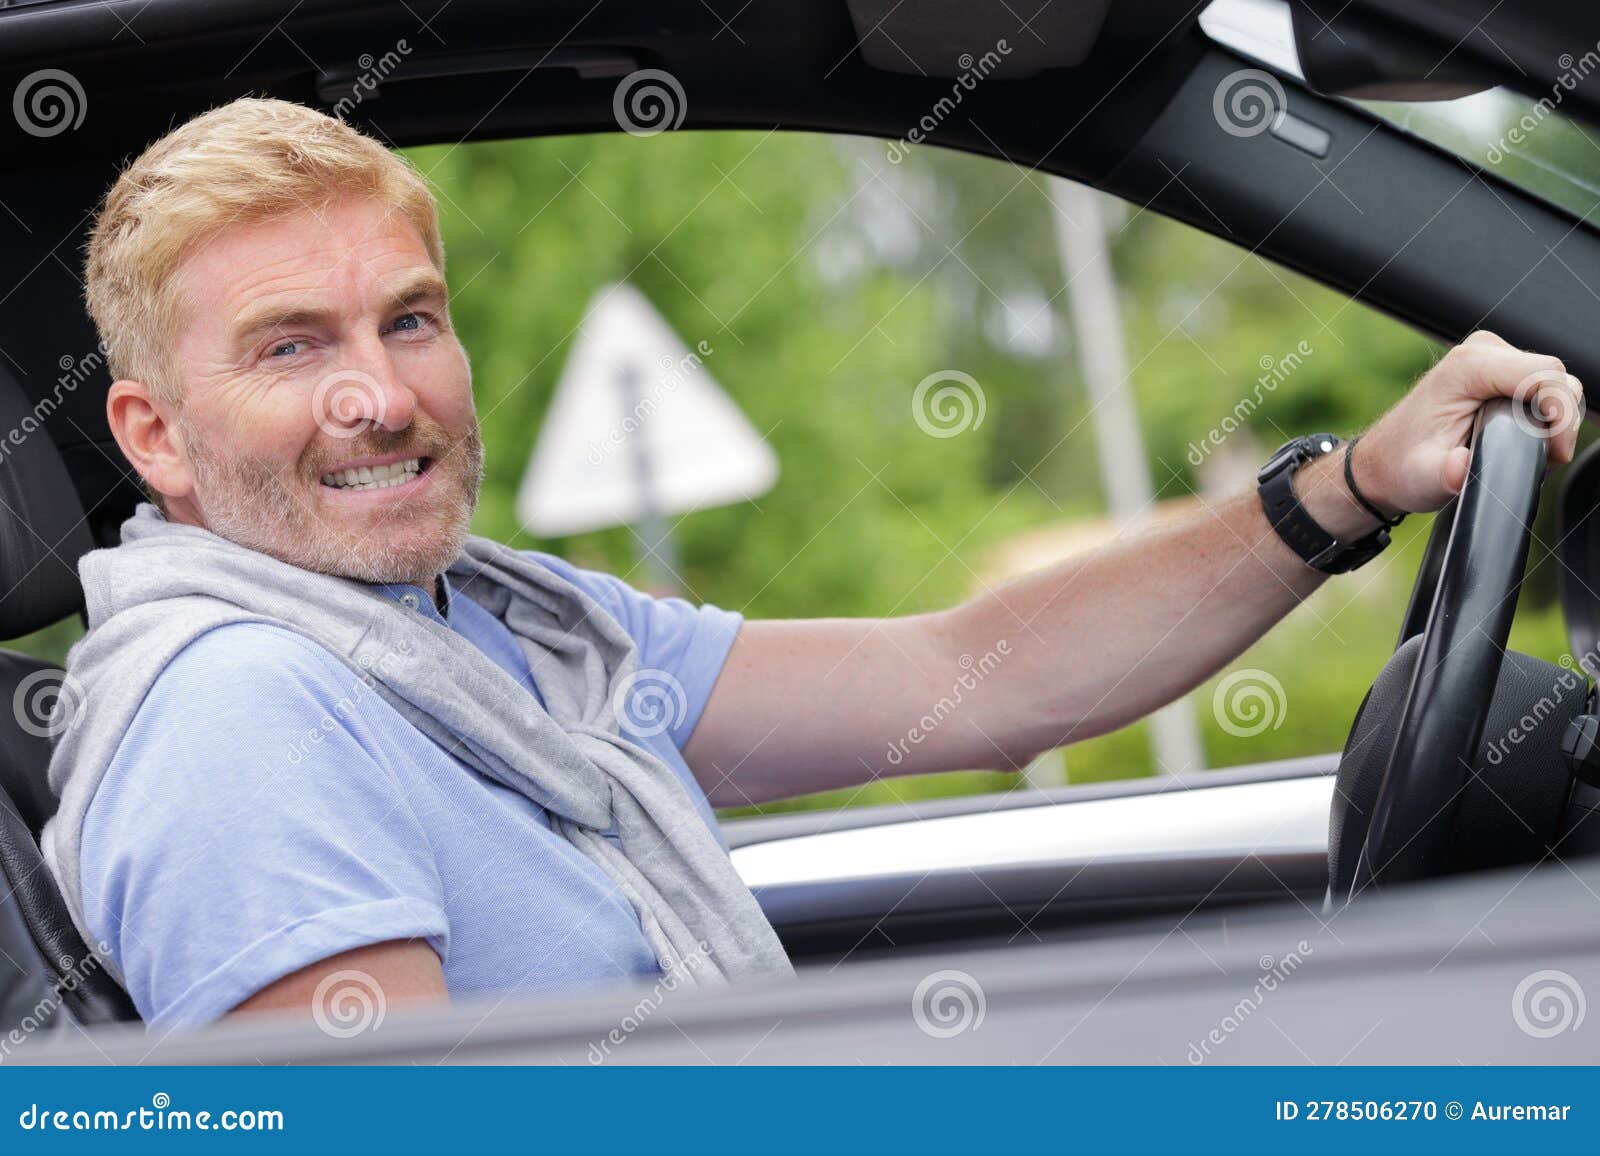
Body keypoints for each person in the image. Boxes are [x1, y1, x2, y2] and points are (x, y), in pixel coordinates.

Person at [44, 97, 1586, 1032]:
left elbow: (957, 680)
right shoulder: (239, 716)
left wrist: (1354, 484)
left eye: (410, 318)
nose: (382, 394)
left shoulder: (509, 628)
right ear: (156, 436)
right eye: (289, 346)